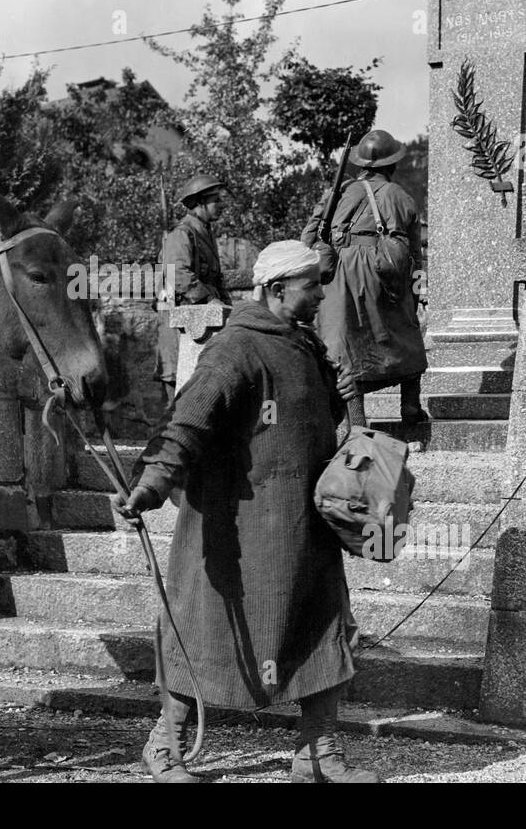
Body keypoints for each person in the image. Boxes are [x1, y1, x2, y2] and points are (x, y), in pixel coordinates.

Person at [115, 240, 380, 784]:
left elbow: (326, 427)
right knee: (200, 629)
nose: (322, 293)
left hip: (305, 528)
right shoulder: (234, 350)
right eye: (313, 285)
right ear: (279, 289)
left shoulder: (306, 348)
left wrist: (346, 396)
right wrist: (151, 484)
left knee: (320, 628)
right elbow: (187, 421)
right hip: (237, 528)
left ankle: (317, 754)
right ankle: (165, 745)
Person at [302, 129, 428, 427]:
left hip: (338, 273)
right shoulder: (399, 195)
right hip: (384, 270)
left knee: (345, 343)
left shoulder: (340, 192)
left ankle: (356, 421)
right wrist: (419, 289)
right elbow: (415, 252)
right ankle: (410, 406)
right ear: (391, 165)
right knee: (405, 333)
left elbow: (308, 236)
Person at [153, 174, 233, 404]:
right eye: (215, 200)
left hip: (200, 320)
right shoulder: (183, 234)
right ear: (198, 203)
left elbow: (215, 279)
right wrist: (209, 299)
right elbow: (177, 272)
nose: (221, 205)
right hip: (179, 320)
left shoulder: (204, 232)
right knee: (178, 392)